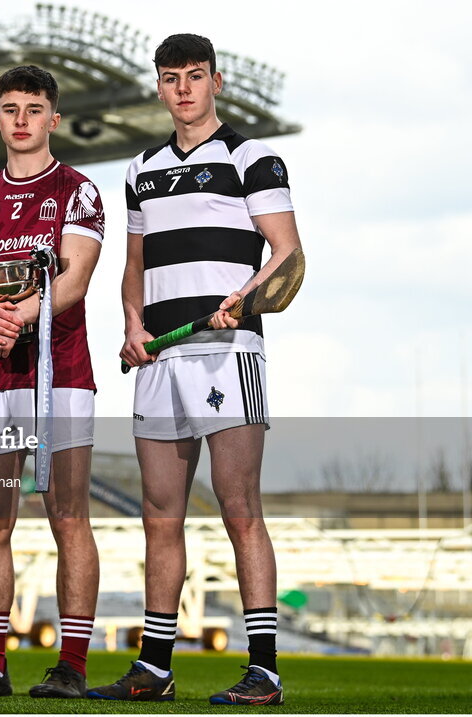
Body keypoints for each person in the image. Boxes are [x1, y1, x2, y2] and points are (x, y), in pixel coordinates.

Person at [87, 34, 301, 706]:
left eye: (195, 75)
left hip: (226, 353)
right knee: (159, 514)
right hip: (161, 356)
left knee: (240, 508)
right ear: (159, 86)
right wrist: (130, 323)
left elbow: (288, 253)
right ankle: (153, 667)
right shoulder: (141, 167)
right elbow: (134, 265)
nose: (184, 88)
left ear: (216, 81)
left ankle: (263, 670)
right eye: (172, 77)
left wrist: (245, 296)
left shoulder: (251, 157)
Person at [0, 65, 104, 699]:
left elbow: (75, 280)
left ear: (53, 118)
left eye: (35, 108)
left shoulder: (80, 190)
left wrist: (11, 317)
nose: (23, 118)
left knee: (68, 516)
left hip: (62, 375)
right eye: (11, 108)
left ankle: (73, 667)